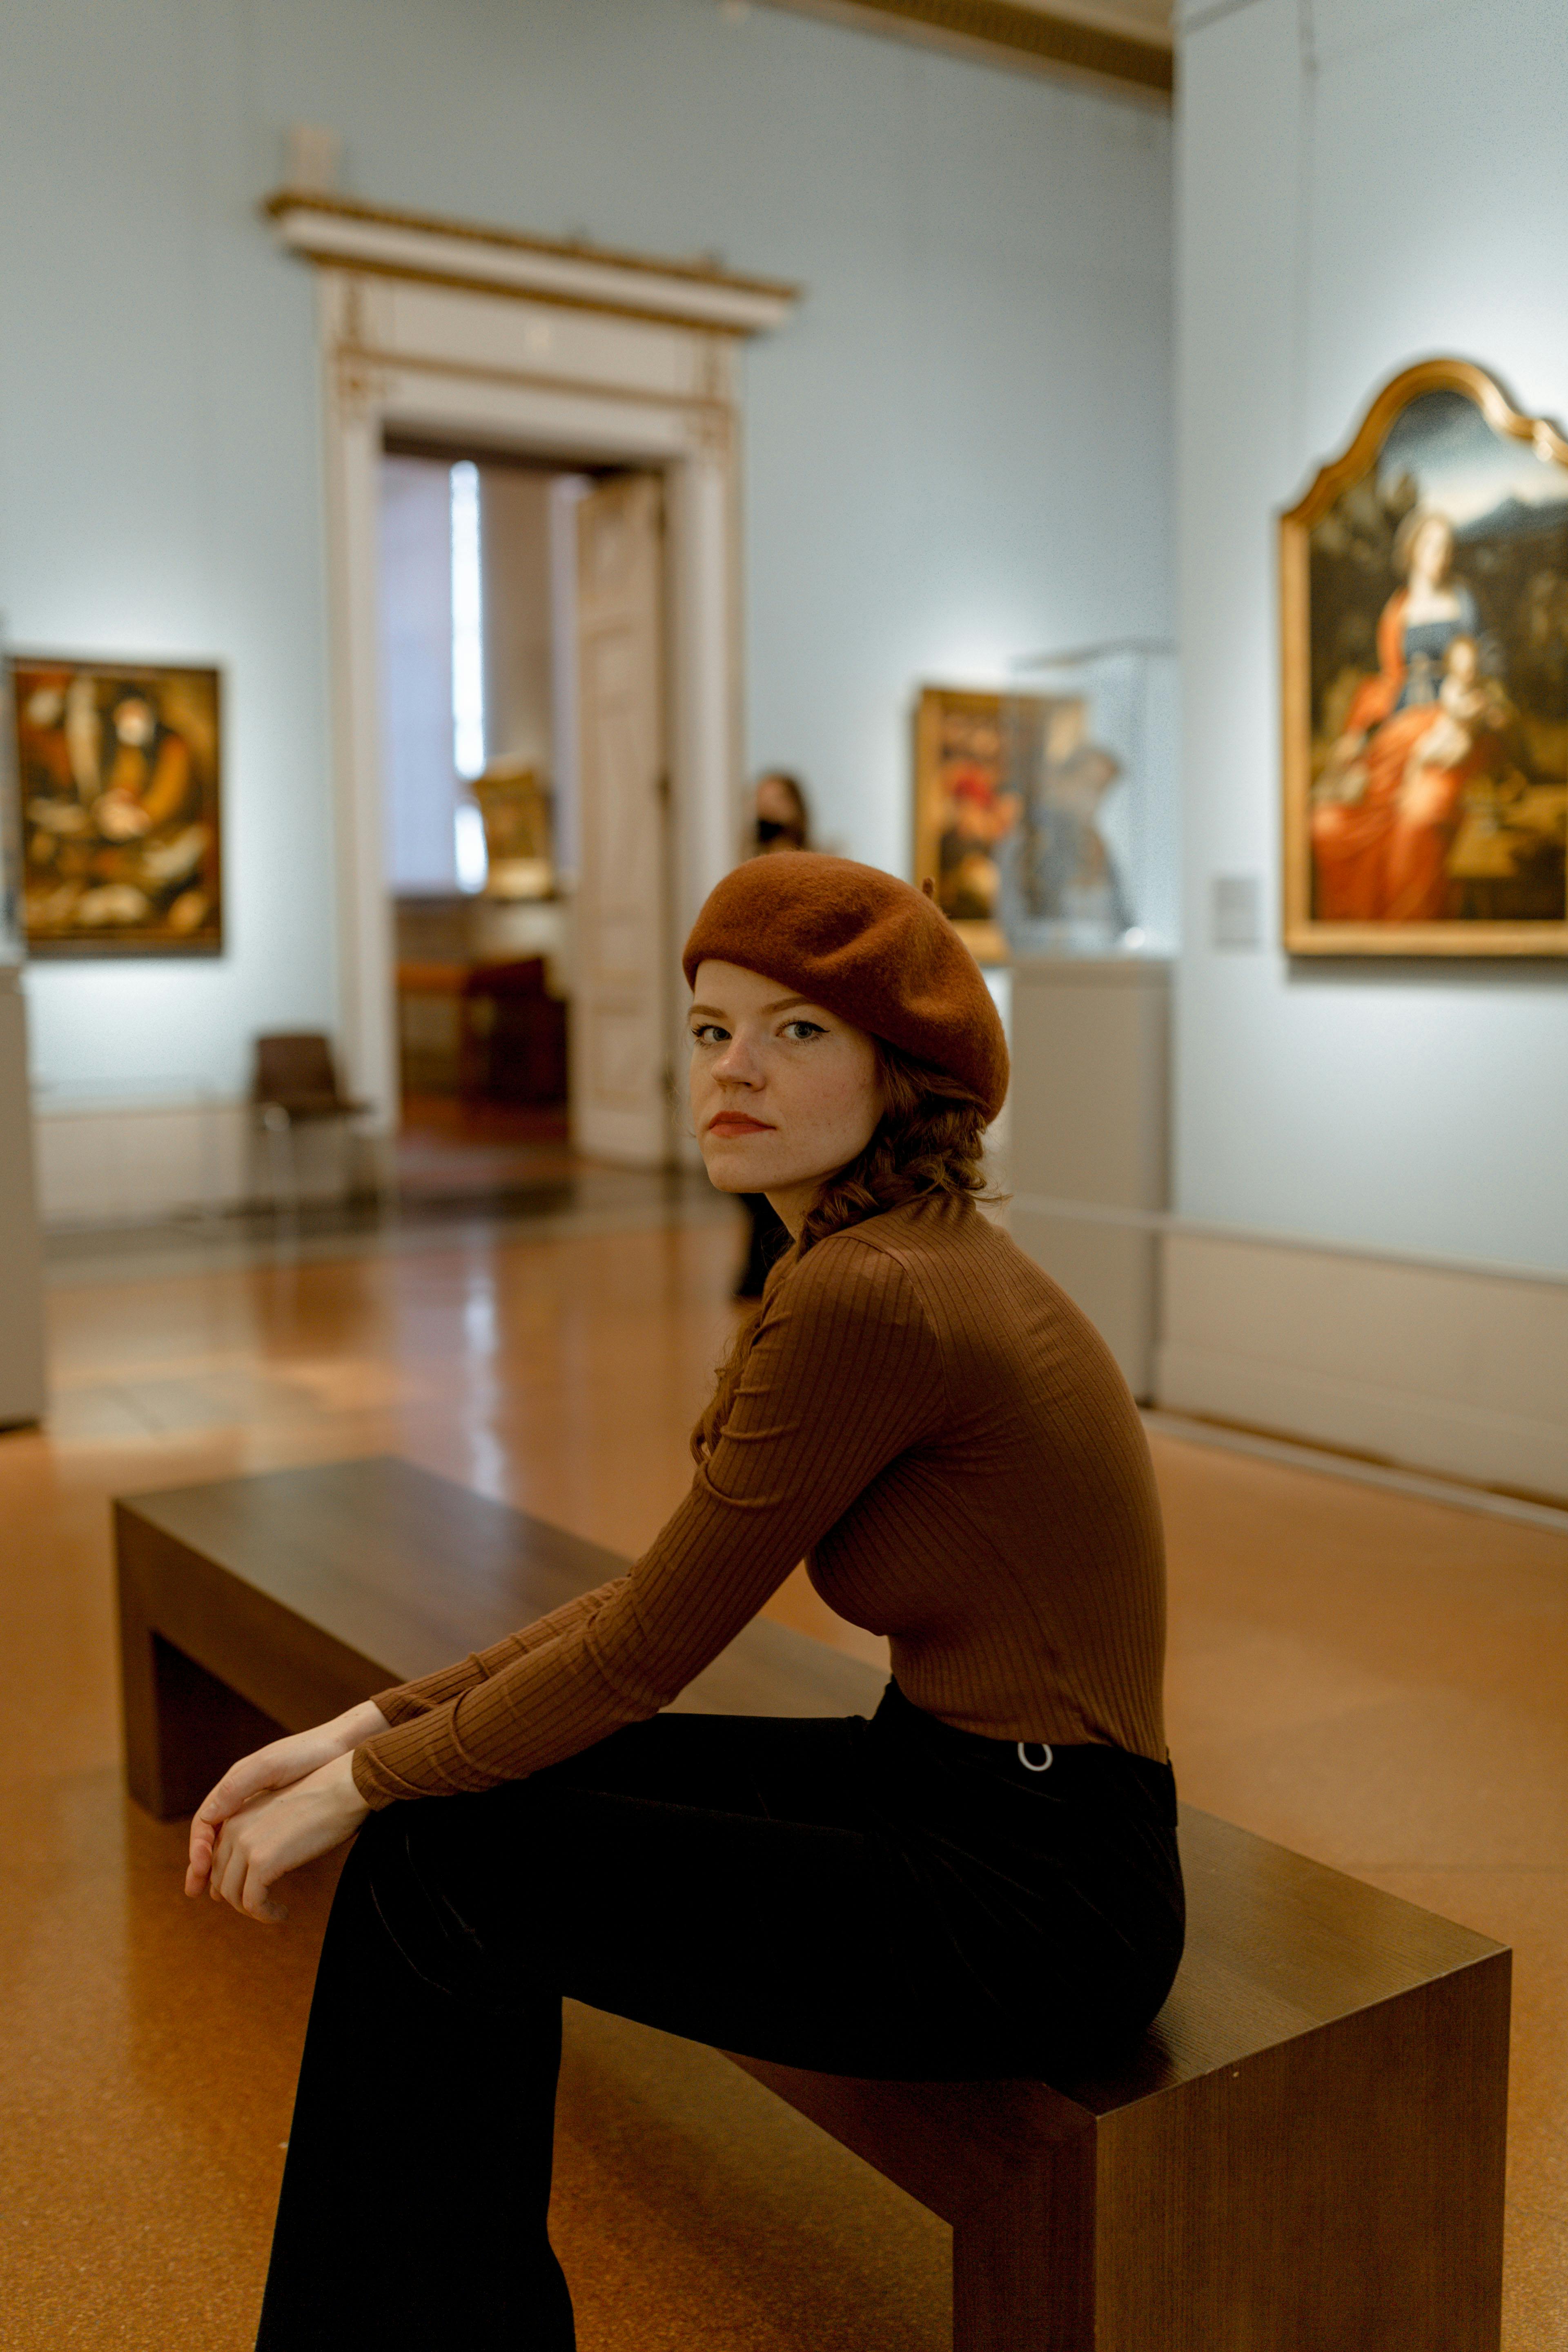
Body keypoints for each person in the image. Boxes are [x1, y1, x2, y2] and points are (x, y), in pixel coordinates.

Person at [187, 855, 1183, 2351]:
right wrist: (365, 1728)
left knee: (444, 1860)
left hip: (1034, 1897)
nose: (733, 1069)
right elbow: (644, 1599)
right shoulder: (873, 1253)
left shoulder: (873, 1293)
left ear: (899, 1068)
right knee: (453, 1817)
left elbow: (643, 1648)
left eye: (796, 1032)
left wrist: (356, 1784)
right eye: (714, 1030)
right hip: (956, 1794)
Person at [1310, 509, 1508, 922]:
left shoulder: (1464, 600)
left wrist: (1477, 705)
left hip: (1455, 726)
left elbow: (1490, 660)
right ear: (1413, 550)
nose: (1442, 555)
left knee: (1418, 817)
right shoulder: (1398, 610)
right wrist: (1358, 731)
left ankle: (1411, 930)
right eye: (1432, 545)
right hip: (1401, 730)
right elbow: (1388, 682)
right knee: (1332, 823)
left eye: (1447, 547)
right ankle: (1363, 926)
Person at [735, 771, 813, 1296]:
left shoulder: (815, 866)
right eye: (759, 798)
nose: (766, 807)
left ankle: (775, 1264)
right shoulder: (746, 870)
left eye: (777, 797)